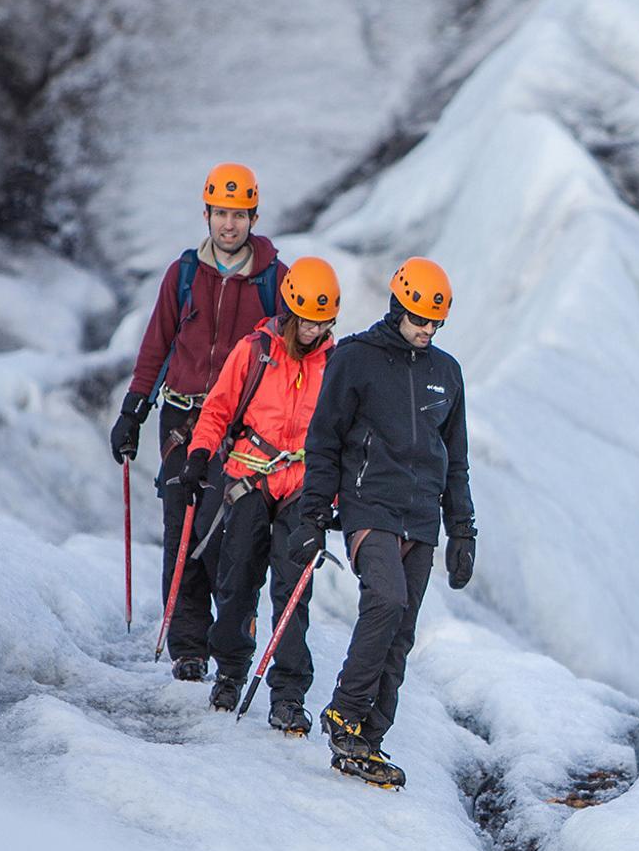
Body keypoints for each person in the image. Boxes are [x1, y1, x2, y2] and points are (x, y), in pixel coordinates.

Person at [291, 257, 476, 787]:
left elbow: (456, 458)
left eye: (434, 324)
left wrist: (462, 531)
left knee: (402, 632)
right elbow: (324, 439)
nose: (426, 331)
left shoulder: (447, 373)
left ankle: (367, 739)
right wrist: (312, 514)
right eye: (418, 319)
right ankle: (344, 710)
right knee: (386, 601)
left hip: (422, 519)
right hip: (369, 505)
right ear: (397, 307)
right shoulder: (356, 359)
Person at [109, 163, 284, 680]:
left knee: (225, 532)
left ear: (253, 216)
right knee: (179, 526)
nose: (229, 225)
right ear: (206, 214)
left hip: (239, 426)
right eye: (221, 214)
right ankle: (189, 646)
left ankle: (225, 638)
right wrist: (133, 411)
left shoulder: (276, 281)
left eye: (239, 215)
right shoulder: (182, 275)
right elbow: (156, 345)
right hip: (181, 417)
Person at [170, 257, 341, 734]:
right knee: (237, 578)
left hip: (304, 487)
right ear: (289, 310)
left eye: (323, 322)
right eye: (307, 319)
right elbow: (219, 408)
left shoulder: (335, 364)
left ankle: (288, 694)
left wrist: (339, 497)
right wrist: (200, 456)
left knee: (293, 590)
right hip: (248, 476)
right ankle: (229, 670)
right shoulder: (255, 351)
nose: (313, 330)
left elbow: (348, 436)